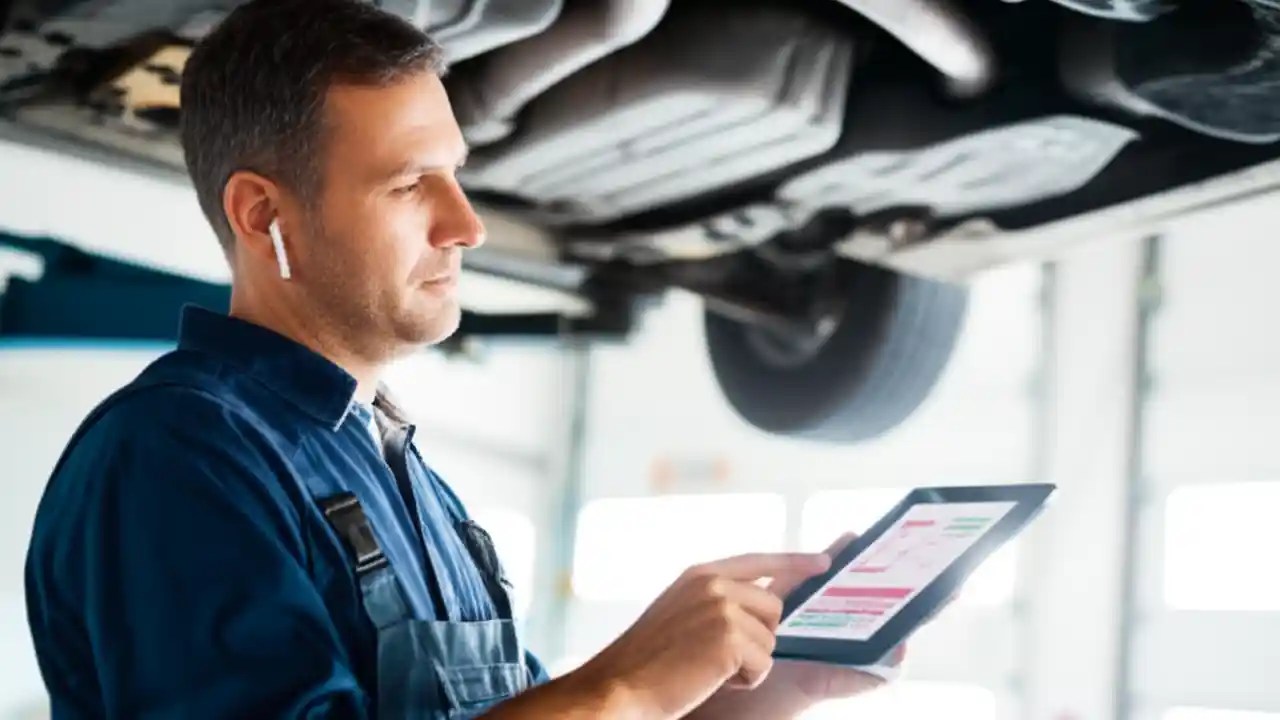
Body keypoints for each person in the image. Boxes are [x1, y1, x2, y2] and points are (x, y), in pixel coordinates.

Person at [23, 0, 902, 717]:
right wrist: (622, 687)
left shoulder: (394, 466)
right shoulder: (177, 455)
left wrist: (758, 685)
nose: (466, 224)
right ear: (261, 216)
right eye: (410, 185)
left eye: (457, 173)